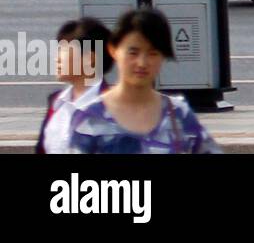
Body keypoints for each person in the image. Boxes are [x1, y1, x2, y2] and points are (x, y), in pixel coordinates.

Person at [69, 9, 221, 154]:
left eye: (153, 53)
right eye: (133, 52)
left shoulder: (178, 115)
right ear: (113, 50)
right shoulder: (90, 117)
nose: (142, 63)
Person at [36, 17, 112, 154]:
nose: (57, 58)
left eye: (63, 50)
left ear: (90, 58)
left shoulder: (113, 107)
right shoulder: (56, 103)